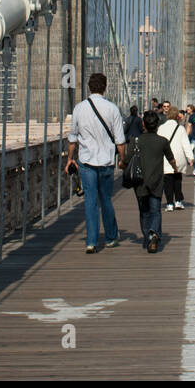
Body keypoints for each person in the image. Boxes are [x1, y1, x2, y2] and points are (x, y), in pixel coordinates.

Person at [65, 72, 125, 253]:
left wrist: (69, 159)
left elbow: (73, 137)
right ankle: (110, 237)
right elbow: (120, 140)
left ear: (89, 87)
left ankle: (91, 242)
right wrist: (122, 159)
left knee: (90, 201)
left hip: (86, 162)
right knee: (106, 199)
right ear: (105, 87)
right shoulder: (112, 108)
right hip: (106, 162)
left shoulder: (79, 108)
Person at [125, 110, 171, 252]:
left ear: (143, 124)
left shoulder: (135, 141)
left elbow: (127, 161)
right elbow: (171, 157)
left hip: (140, 183)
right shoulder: (162, 141)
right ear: (157, 125)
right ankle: (153, 233)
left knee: (144, 211)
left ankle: (147, 237)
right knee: (156, 210)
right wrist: (176, 168)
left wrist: (122, 165)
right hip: (156, 181)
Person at [159, 104, 192, 211]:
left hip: (166, 159)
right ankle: (178, 201)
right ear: (177, 116)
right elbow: (185, 144)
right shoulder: (180, 128)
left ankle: (169, 203)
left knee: (167, 182)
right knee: (177, 180)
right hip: (179, 158)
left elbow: (158, 144)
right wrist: (190, 157)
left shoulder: (161, 128)